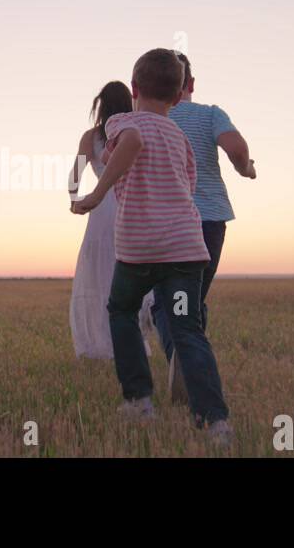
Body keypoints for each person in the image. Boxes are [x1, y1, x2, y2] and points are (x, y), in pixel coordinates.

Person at [73, 49, 231, 442]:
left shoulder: (124, 121)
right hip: (185, 248)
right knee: (188, 329)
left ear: (134, 88)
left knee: (122, 309)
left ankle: (139, 400)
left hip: (140, 248)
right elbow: (189, 185)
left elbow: (129, 144)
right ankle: (215, 422)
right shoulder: (179, 135)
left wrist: (96, 193)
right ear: (178, 97)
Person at [153, 52, 256, 404]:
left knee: (164, 305)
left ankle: (183, 362)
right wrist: (247, 169)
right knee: (192, 302)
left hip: (168, 221)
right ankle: (191, 362)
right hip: (211, 221)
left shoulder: (149, 119)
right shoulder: (210, 114)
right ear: (190, 85)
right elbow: (236, 149)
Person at [69, 82, 155, 358]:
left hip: (101, 204)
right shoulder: (135, 131)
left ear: (101, 105)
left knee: (98, 275)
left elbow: (75, 174)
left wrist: (74, 199)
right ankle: (133, 339)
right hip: (132, 202)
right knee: (131, 268)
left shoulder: (91, 136)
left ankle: (101, 343)